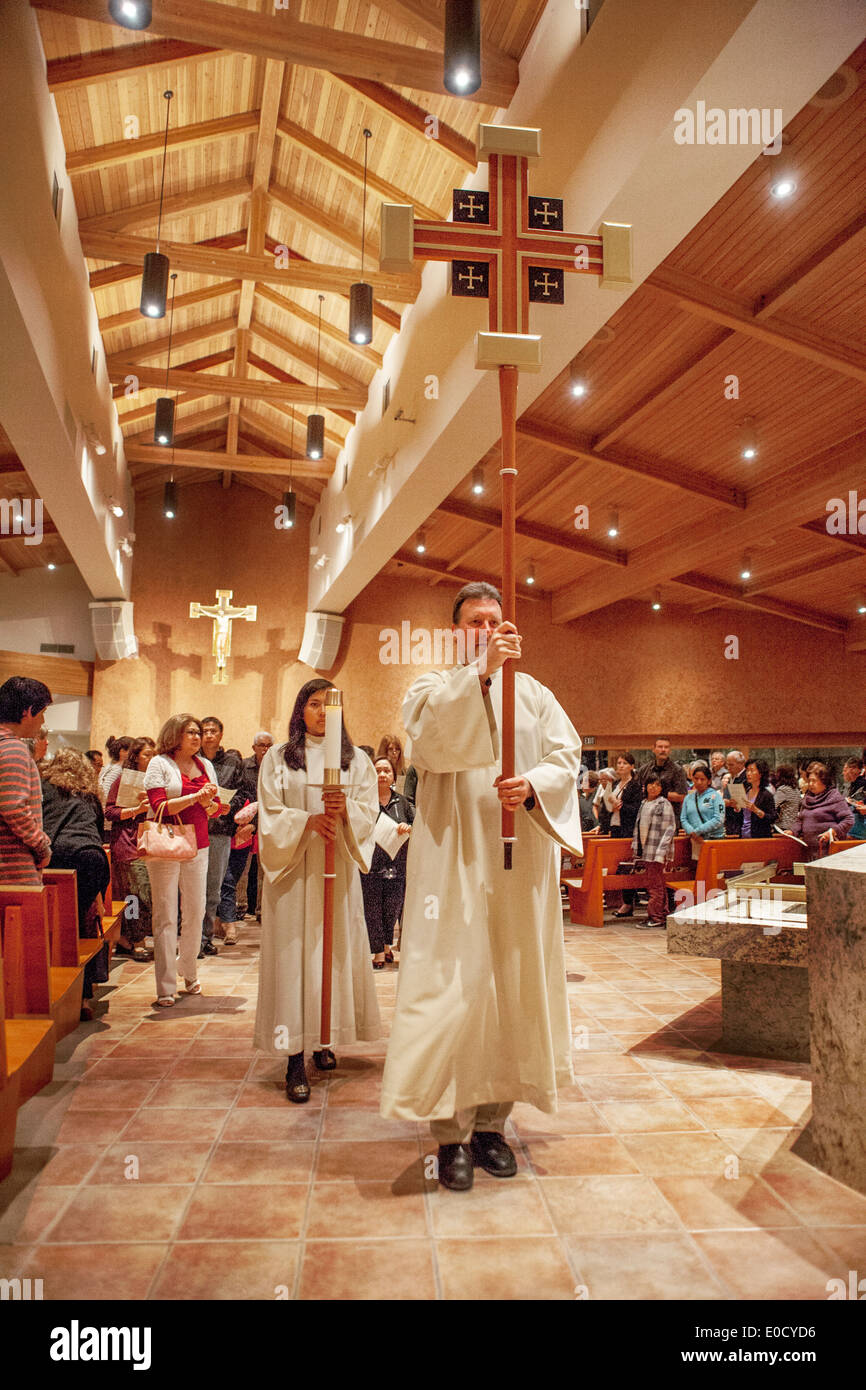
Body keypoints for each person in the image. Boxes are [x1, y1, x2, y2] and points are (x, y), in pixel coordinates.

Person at [381, 581, 583, 1193]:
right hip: (454, 864)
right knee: (453, 988)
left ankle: (493, 1123)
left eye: (495, 619)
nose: (487, 628)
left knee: (511, 986)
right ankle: (449, 1134)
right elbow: (433, 747)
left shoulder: (539, 695)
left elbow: (568, 757)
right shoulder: (431, 688)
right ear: (457, 631)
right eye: (474, 621)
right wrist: (483, 674)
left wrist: (535, 785)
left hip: (519, 868)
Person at [253, 679, 381, 1103]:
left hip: (336, 870)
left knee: (330, 956)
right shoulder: (277, 758)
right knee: (293, 961)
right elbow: (269, 814)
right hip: (293, 874)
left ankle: (326, 1036)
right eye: (313, 704)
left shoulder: (356, 760)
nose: (322, 712)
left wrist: (346, 812)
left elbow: (369, 810)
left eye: (330, 705)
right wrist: (306, 821)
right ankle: (294, 1055)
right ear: (300, 710)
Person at [144, 715, 220, 1007]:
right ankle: (164, 986)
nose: (197, 736)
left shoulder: (205, 765)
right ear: (174, 735)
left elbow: (211, 809)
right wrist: (195, 798)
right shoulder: (159, 763)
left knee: (196, 911)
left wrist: (211, 803)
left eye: (198, 732)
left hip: (199, 845)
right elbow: (158, 805)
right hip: (167, 842)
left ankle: (188, 970)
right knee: (165, 915)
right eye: (190, 732)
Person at [41, 750, 111, 1020]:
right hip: (90, 857)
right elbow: (98, 828)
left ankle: (50, 989)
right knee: (83, 923)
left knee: (50, 925)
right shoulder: (88, 793)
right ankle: (83, 998)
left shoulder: (44, 788)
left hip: (53, 855)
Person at [104, 736, 155, 959]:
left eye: (154, 754)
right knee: (135, 896)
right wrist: (136, 808)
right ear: (135, 757)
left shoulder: (155, 779)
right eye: (147, 754)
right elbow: (110, 812)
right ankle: (137, 940)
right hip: (128, 843)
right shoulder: (123, 779)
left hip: (150, 843)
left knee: (144, 895)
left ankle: (127, 939)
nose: (151, 758)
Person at [220, 731, 273, 942]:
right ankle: (239, 908)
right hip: (247, 824)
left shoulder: (277, 768)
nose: (265, 749)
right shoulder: (244, 766)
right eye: (262, 745)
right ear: (254, 747)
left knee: (265, 870)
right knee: (240, 872)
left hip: (270, 824)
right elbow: (242, 794)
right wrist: (249, 822)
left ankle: (262, 910)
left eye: (269, 745)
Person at [0, 676, 53, 884]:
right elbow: (13, 807)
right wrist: (42, 846)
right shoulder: (13, 748)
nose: (42, 721)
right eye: (42, 713)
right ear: (28, 711)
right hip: (13, 870)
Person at [362, 757, 414, 968]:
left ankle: (385, 945)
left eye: (386, 771)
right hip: (371, 863)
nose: (382, 774)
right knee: (372, 908)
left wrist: (407, 827)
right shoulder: (364, 803)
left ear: (393, 776)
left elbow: (415, 823)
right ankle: (379, 953)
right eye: (378, 771)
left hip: (397, 863)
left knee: (391, 908)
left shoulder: (403, 802)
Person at [199, 716, 243, 955]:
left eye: (212, 731)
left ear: (220, 734)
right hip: (193, 830)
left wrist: (230, 808)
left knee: (213, 889)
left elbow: (242, 792)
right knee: (190, 887)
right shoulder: (193, 762)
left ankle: (205, 937)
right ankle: (191, 937)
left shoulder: (233, 763)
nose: (208, 735)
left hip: (219, 832)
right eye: (204, 731)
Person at [631, 773, 676, 928]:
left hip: (656, 851)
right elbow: (638, 828)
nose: (653, 787)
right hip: (645, 850)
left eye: (657, 785)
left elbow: (669, 830)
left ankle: (656, 917)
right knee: (653, 884)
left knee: (655, 885)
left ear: (661, 788)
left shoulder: (664, 804)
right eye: (650, 784)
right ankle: (658, 914)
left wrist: (661, 853)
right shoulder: (644, 803)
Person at [607, 752, 644, 919]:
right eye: (619, 763)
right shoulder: (616, 784)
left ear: (631, 766)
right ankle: (625, 901)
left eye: (624, 763)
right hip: (615, 827)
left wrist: (620, 806)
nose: (620, 765)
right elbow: (606, 806)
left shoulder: (635, 786)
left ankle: (628, 903)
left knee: (627, 866)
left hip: (628, 829)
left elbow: (637, 809)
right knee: (617, 865)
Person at [790, 762, 853, 860]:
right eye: (809, 780)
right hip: (809, 852)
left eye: (814, 781)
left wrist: (832, 831)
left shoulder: (834, 797)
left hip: (829, 853)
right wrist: (792, 831)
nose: (810, 784)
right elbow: (801, 820)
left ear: (824, 781)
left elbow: (849, 820)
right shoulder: (807, 797)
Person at [680, 761, 725, 859]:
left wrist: (698, 831)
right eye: (696, 779)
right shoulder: (688, 797)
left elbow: (719, 819)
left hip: (713, 839)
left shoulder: (716, 796)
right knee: (698, 870)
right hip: (695, 840)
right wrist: (692, 832)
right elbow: (683, 818)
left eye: (702, 779)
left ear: (709, 781)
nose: (699, 782)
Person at [638, 738, 687, 824]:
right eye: (660, 747)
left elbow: (681, 796)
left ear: (670, 750)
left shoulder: (678, 770)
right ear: (653, 749)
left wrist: (658, 792)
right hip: (646, 817)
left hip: (669, 819)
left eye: (666, 747)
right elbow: (638, 792)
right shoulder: (644, 770)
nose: (663, 750)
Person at [740, 758, 778, 838]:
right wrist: (737, 808)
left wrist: (756, 810)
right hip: (744, 834)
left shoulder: (766, 794)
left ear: (760, 773)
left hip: (759, 836)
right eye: (747, 770)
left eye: (752, 770)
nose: (748, 773)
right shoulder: (746, 791)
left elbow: (772, 817)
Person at [98, 735, 133, 804]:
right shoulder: (117, 769)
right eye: (132, 751)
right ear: (122, 751)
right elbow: (106, 792)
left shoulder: (110, 766)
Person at [721, 750, 748, 834]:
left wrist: (732, 802)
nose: (728, 767)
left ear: (741, 764)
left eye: (731, 765)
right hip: (730, 820)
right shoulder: (731, 777)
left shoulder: (746, 778)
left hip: (741, 820)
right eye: (727, 764)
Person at [841, 756, 866, 840]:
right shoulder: (854, 785)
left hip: (859, 828)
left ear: (852, 769)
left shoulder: (861, 783)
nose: (843, 773)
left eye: (845, 770)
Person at [772, 764, 802, 833]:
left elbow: (772, 805)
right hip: (793, 826)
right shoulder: (796, 790)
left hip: (782, 826)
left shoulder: (783, 790)